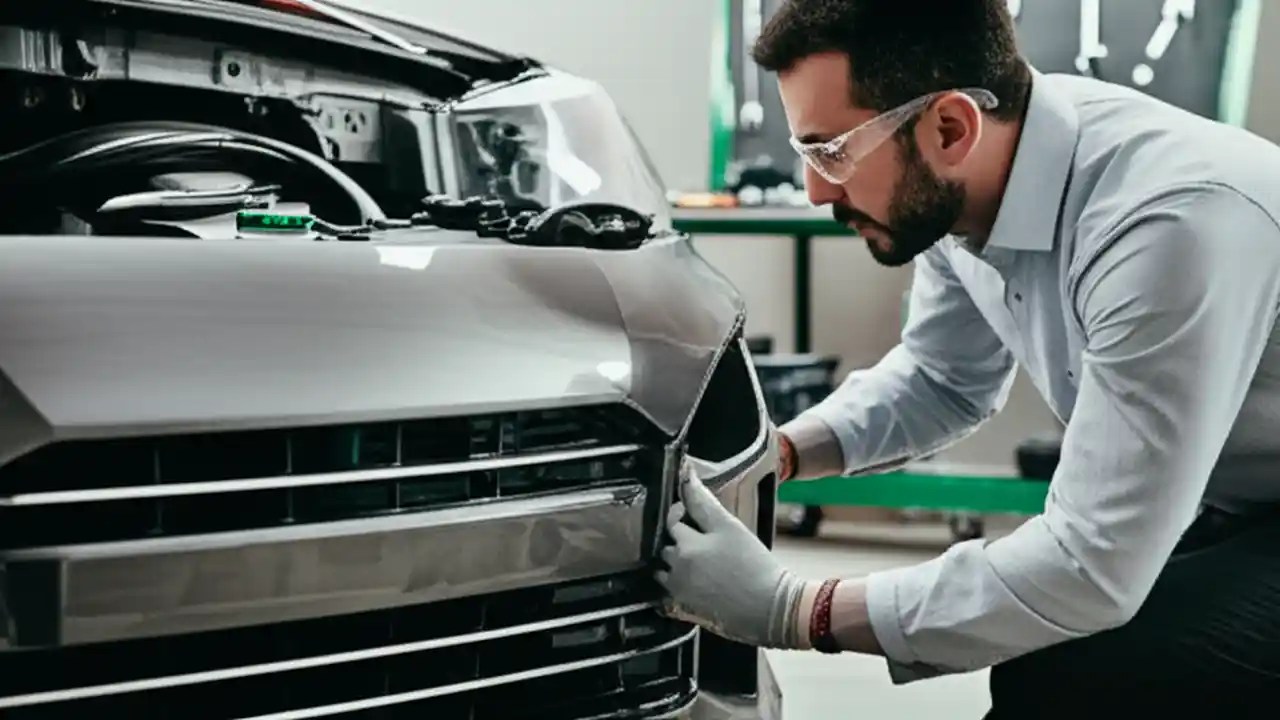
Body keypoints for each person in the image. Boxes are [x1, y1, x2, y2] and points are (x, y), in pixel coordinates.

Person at [654, 0, 1280, 716]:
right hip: (1241, 499)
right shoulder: (974, 183)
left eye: (831, 152)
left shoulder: (1164, 224)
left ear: (950, 126)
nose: (816, 190)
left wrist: (796, 609)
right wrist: (777, 454)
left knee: (1082, 674)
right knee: (1048, 662)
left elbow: (1089, 567)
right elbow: (942, 379)